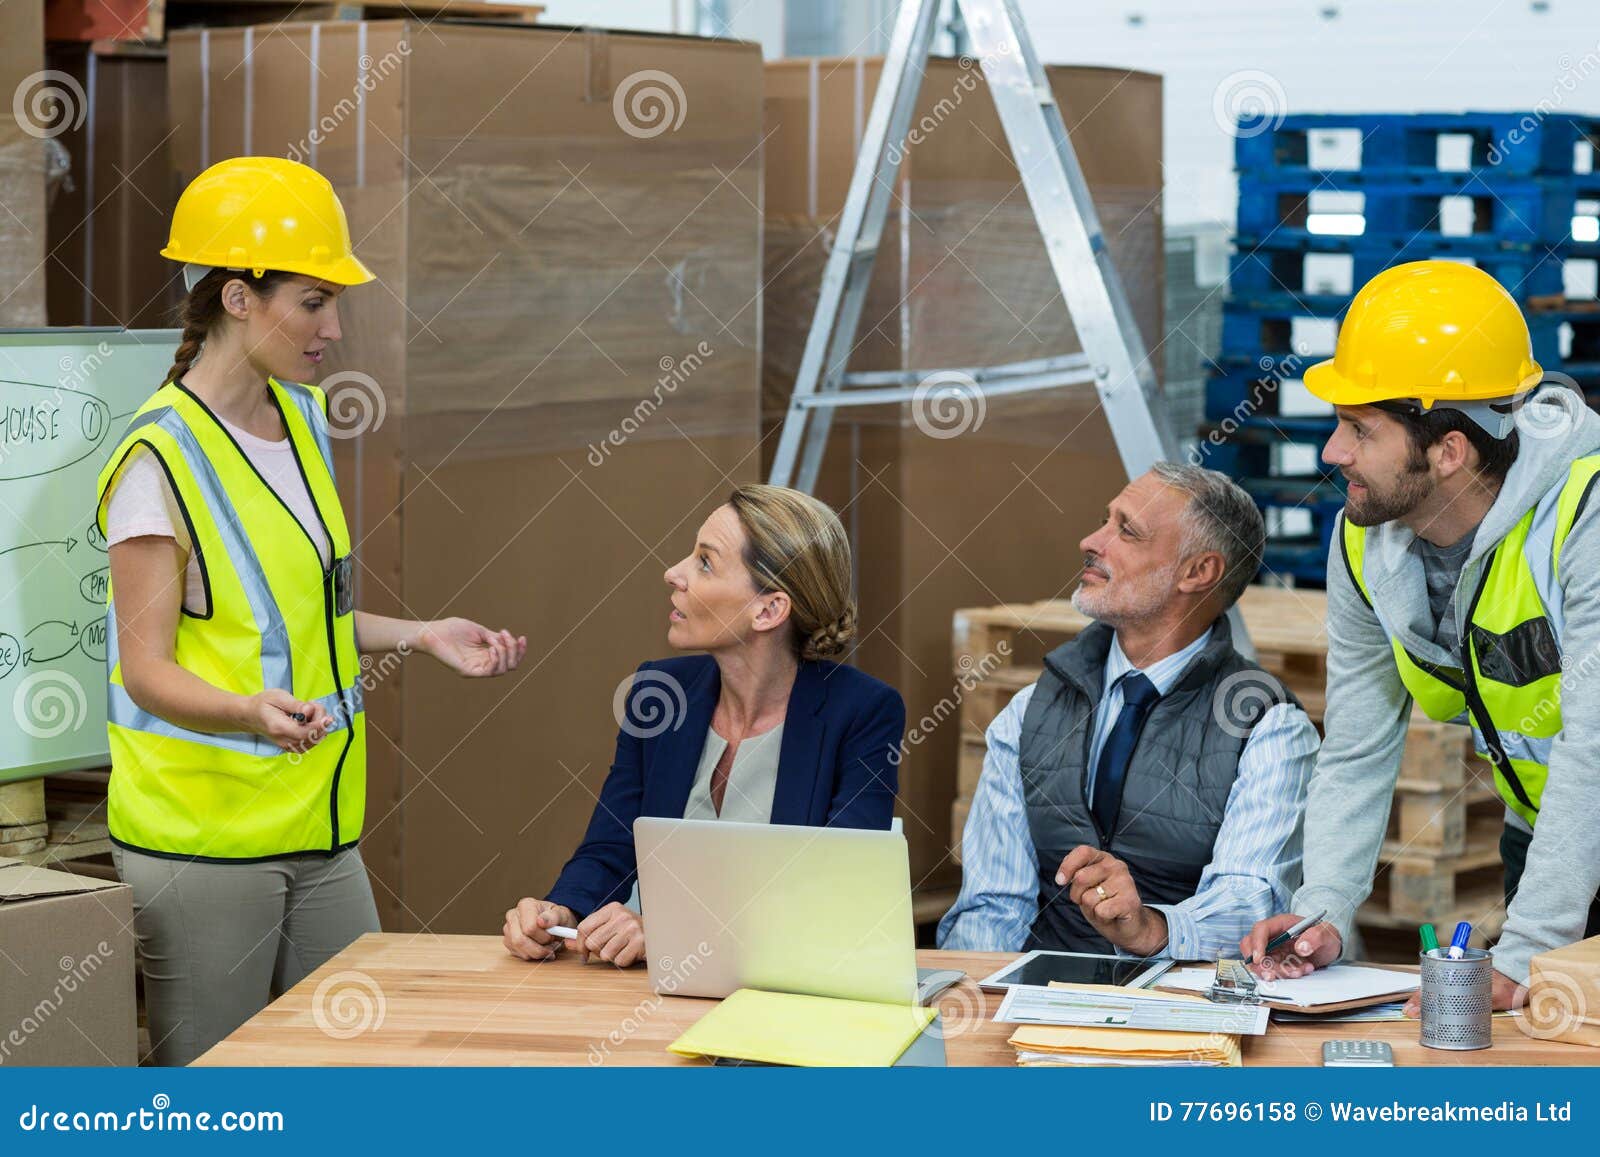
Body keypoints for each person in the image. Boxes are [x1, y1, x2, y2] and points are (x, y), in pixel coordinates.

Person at [98, 156, 527, 1065]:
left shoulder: (303, 419)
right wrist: (251, 712)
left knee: (356, 1073)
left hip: (322, 824)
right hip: (205, 843)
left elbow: (309, 616)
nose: (333, 327)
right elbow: (147, 669)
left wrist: (419, 633)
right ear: (236, 298)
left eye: (335, 301)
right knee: (213, 1099)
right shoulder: (156, 463)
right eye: (311, 301)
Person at [1241, 261, 1600, 1011]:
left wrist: (1529, 950)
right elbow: (1358, 746)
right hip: (1545, 839)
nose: (1332, 452)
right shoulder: (1363, 543)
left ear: (1448, 451)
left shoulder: (1585, 516)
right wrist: (1326, 906)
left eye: (1360, 428)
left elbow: (1593, 745)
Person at [502, 484, 904, 968]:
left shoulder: (863, 712)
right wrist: (558, 910)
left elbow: (839, 897)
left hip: (778, 1004)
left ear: (769, 609)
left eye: (705, 562)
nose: (673, 573)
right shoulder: (659, 691)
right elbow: (611, 847)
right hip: (643, 996)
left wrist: (680, 934)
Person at [939, 463, 1319, 958]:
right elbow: (993, 909)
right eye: (1105, 520)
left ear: (1198, 572)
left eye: (1128, 531)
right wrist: (975, 1008)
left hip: (1185, 1015)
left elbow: (1250, 906)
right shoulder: (1029, 712)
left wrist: (1150, 930)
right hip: (1039, 1006)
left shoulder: (1268, 727)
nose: (1091, 541)